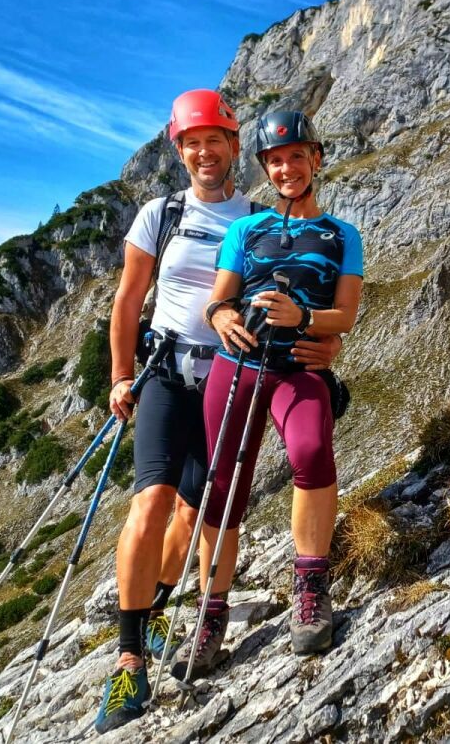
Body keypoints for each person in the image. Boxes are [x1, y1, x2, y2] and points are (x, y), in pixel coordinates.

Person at [94, 91, 340, 734]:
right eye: (191, 143)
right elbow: (129, 300)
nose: (204, 152)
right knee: (151, 501)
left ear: (236, 149)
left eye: (215, 141)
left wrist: (326, 337)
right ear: (179, 152)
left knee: (199, 506)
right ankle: (128, 658)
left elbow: (305, 299)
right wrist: (121, 376)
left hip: (237, 377)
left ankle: (164, 612)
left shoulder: (257, 221)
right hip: (169, 373)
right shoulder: (162, 213)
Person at [169, 109, 363, 683]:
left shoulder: (342, 236)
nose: (286, 168)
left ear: (316, 159)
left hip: (296, 368)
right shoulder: (243, 232)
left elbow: (345, 315)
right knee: (223, 484)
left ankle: (310, 585)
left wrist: (305, 315)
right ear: (264, 167)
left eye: (296, 156)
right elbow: (219, 299)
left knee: (309, 453)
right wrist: (222, 312)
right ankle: (210, 619)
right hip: (237, 365)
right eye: (275, 160)